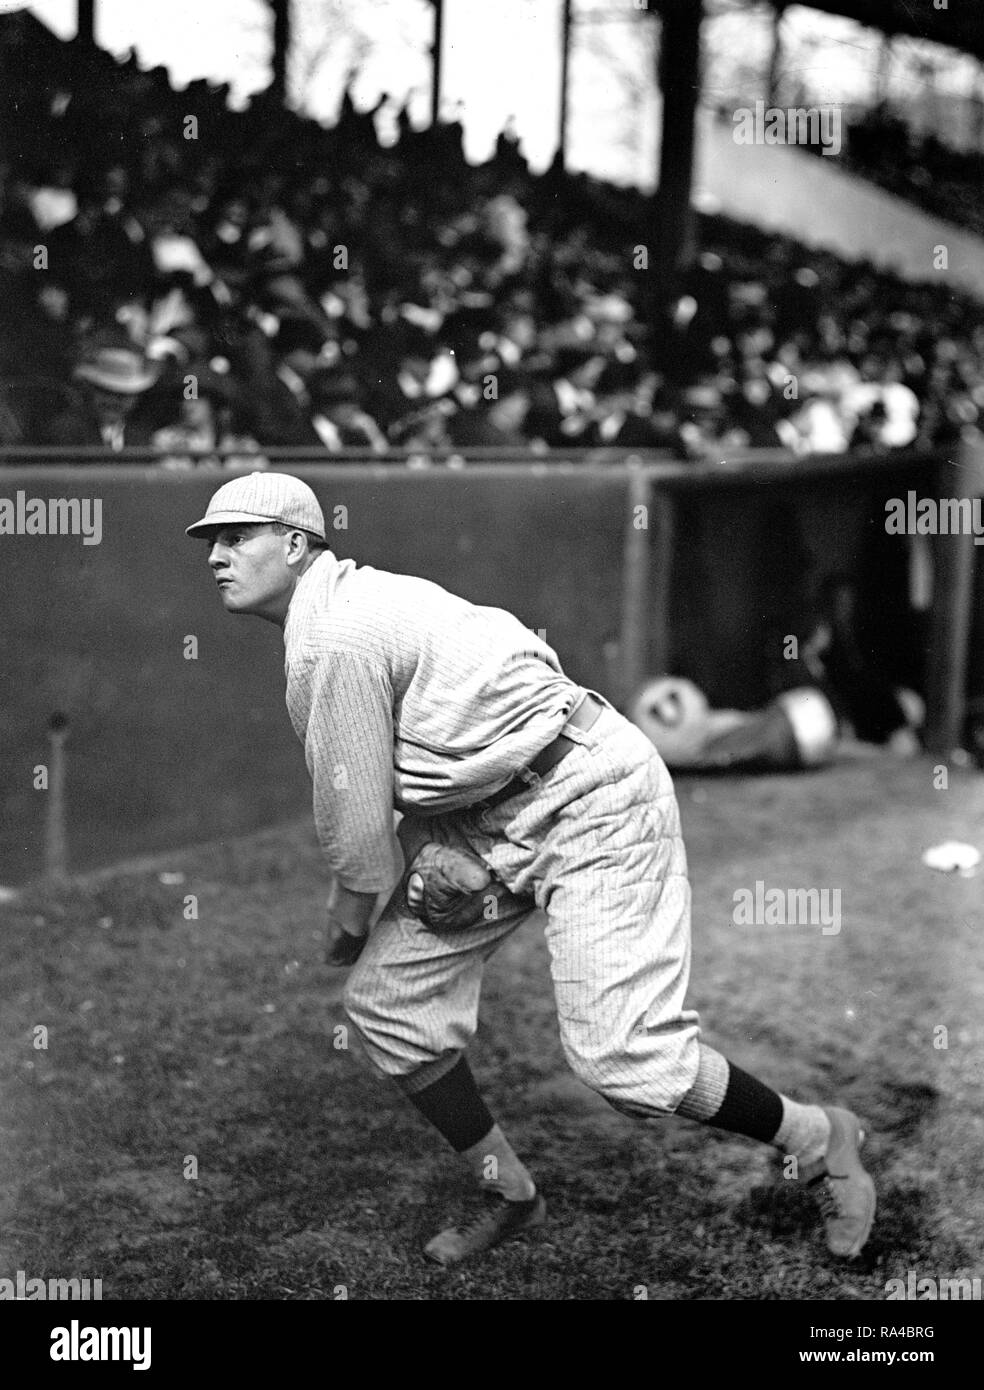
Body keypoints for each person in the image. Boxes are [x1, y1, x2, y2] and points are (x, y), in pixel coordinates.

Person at [185, 472, 877, 1269]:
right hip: (490, 812)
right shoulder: (348, 607)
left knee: (625, 1063)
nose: (218, 556)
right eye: (212, 541)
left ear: (299, 544)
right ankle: (508, 1192)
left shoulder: (334, 636)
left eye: (238, 537)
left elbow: (357, 829)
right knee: (388, 1007)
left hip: (591, 797)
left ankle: (819, 1135)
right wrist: (432, 853)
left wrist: (351, 915)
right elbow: (438, 744)